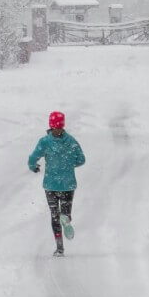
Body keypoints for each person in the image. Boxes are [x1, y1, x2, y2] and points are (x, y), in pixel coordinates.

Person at [27, 110, 85, 257]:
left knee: (54, 215)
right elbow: (81, 159)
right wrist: (70, 165)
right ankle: (66, 218)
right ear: (63, 124)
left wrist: (33, 167)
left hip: (51, 185)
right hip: (67, 184)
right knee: (65, 213)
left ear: (51, 125)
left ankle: (59, 248)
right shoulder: (71, 141)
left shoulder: (45, 142)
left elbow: (33, 158)